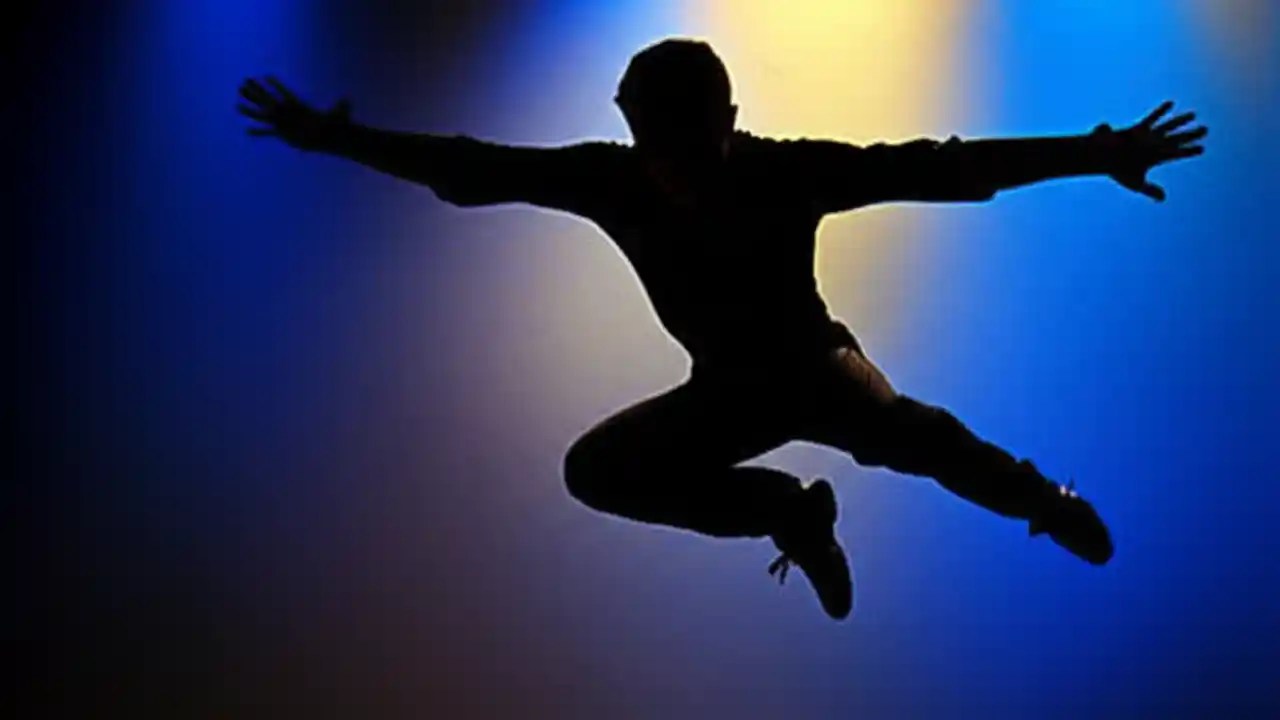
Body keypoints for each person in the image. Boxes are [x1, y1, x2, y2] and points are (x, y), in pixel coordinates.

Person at [237, 38, 1206, 620]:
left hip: (813, 364)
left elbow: (936, 166)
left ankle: (1045, 500)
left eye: (687, 142)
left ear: (728, 123)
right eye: (650, 142)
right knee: (595, 469)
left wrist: (1091, 151)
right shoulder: (611, 176)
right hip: (726, 392)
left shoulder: (780, 170)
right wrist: (339, 138)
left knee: (905, 435)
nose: (668, 167)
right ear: (629, 129)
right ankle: (788, 510)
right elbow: (472, 167)